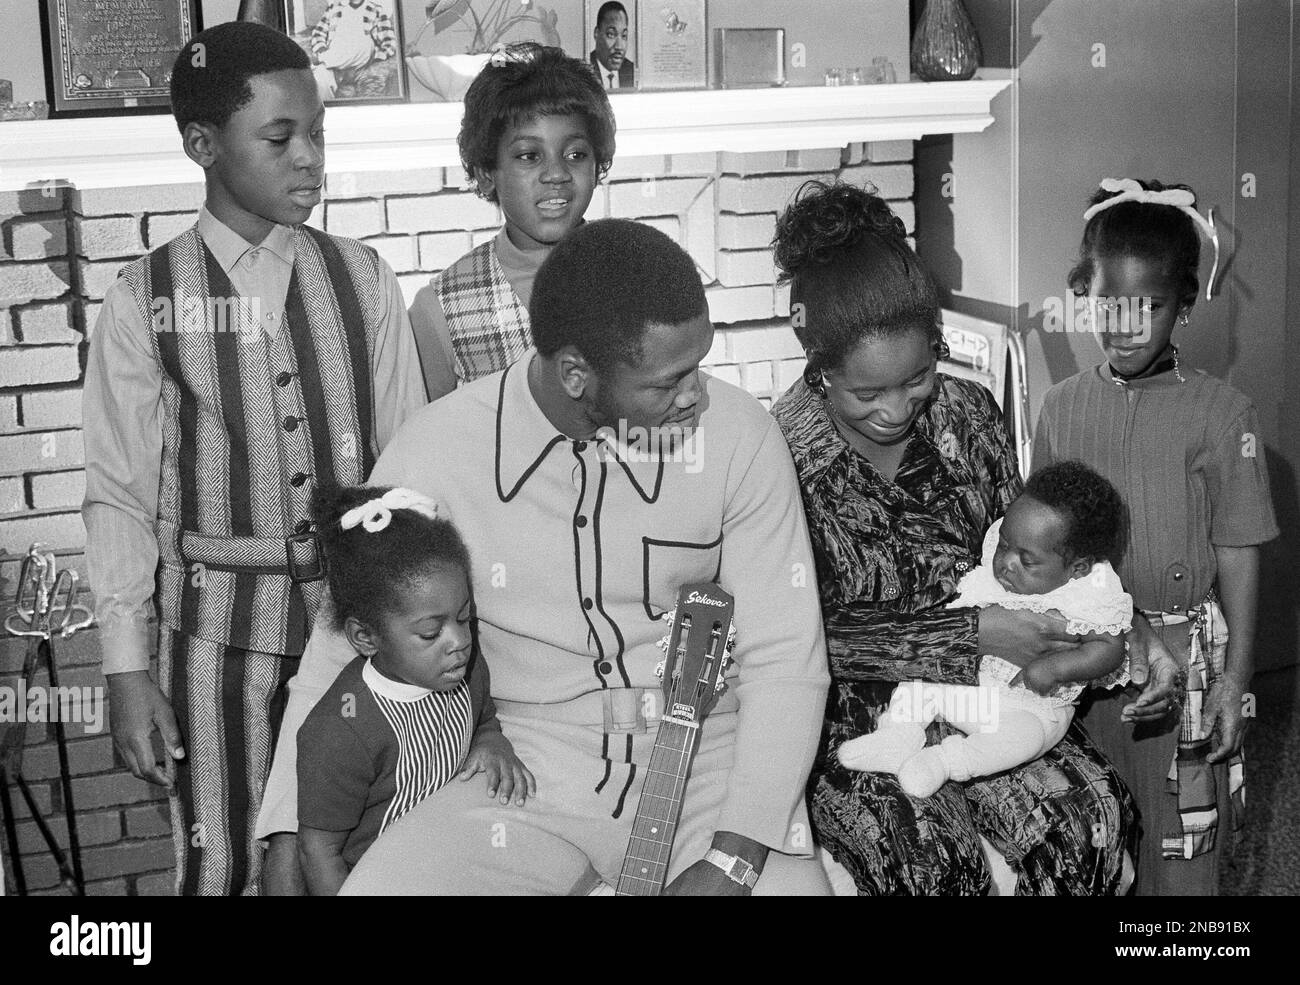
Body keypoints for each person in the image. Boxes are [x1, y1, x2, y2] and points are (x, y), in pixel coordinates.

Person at [258, 218, 832, 895]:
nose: (695, 396)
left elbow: (786, 656)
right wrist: (290, 831)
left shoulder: (739, 436)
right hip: (520, 770)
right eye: (667, 381)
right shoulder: (437, 448)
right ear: (577, 373)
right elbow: (341, 647)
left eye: (698, 366)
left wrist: (735, 855)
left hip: (710, 754)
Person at [81, 20, 426, 896]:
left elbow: (410, 470)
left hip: (354, 631)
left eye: (317, 133)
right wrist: (126, 671)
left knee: (362, 850)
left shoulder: (365, 279)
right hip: (212, 643)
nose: (309, 157)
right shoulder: (142, 301)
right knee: (223, 858)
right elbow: (119, 497)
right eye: (280, 138)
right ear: (202, 144)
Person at [769, 180, 1180, 896]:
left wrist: (1132, 625)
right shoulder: (776, 456)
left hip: (996, 694)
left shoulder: (969, 413)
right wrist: (973, 636)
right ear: (819, 362)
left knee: (1093, 823)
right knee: (933, 866)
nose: (897, 408)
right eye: (868, 393)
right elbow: (786, 636)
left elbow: (1039, 555)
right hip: (853, 715)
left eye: (919, 376)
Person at [1034, 177, 1278, 895]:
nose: (1124, 323)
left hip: (1187, 674)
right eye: (1108, 301)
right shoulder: (1061, 407)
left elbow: (1238, 546)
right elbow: (1041, 544)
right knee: (1096, 844)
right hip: (1088, 663)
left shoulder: (1222, 412)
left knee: (1182, 862)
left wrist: (1237, 681)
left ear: (1185, 305)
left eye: (1149, 305)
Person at [839, 462, 1132, 799]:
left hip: (1032, 707)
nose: (1006, 561)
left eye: (1027, 560)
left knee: (1024, 738)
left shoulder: (1094, 588)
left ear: (1077, 567)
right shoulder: (1011, 542)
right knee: (924, 675)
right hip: (973, 687)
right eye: (1005, 545)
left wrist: (1054, 667)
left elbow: (1111, 646)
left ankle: (946, 762)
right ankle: (897, 735)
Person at [296, 484, 532, 895]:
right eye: (431, 632)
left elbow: (484, 718)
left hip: (453, 866)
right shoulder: (339, 732)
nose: (458, 641)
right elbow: (318, 852)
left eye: (464, 617)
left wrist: (492, 742)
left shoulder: (465, 670)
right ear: (366, 638)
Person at [409, 43, 615, 400]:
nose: (556, 174)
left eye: (575, 154)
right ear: (487, 173)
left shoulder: (634, 271)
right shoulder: (440, 309)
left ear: (598, 163)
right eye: (529, 156)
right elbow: (431, 441)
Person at [307, 0, 398, 99]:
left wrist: (376, 57)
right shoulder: (334, 7)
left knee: (365, 42)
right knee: (319, 79)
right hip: (336, 54)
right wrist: (321, 48)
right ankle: (334, 66)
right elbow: (318, 33)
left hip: (359, 55)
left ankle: (322, 59)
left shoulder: (376, 9)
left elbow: (390, 42)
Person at [589, 1, 634, 89]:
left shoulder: (632, 71)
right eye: (611, 34)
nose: (619, 46)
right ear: (596, 33)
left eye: (624, 36)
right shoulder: (582, 71)